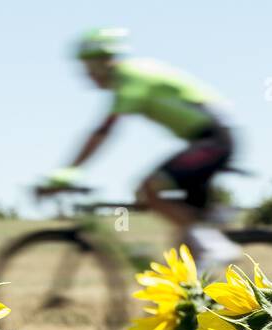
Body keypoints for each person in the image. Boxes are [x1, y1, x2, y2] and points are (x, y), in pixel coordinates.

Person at [43, 28, 240, 270]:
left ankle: (214, 245)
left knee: (150, 188)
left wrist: (71, 170)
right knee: (180, 238)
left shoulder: (131, 76)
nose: (87, 75)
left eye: (89, 67)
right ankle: (199, 269)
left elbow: (105, 130)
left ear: (102, 62)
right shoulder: (130, 76)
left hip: (214, 139)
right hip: (206, 139)